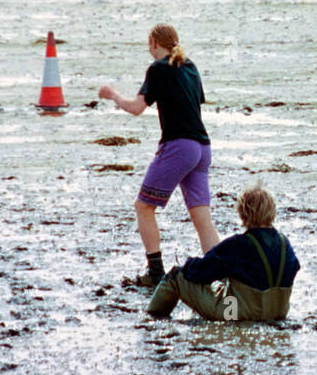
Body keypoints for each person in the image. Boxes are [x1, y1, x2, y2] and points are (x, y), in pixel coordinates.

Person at [99, 23, 220, 287]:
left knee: (144, 206)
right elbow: (192, 104)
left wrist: (113, 95)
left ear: (154, 42)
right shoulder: (190, 66)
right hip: (203, 148)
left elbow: (136, 108)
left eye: (148, 43)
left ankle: (155, 273)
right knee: (202, 218)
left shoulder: (157, 69)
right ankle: (218, 275)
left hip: (180, 146)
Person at [146, 186, 299, 320]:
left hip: (234, 313)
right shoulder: (285, 243)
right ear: (272, 211)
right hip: (277, 313)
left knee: (176, 276)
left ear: (243, 213)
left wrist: (189, 262)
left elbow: (199, 272)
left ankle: (152, 319)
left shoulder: (238, 244)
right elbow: (293, 268)